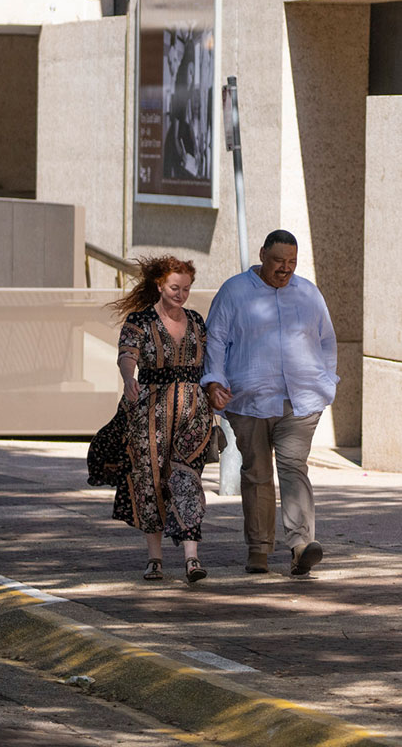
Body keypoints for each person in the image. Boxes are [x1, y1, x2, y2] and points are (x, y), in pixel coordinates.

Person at [202, 230, 339, 578]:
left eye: (291, 262)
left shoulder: (308, 292)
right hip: (249, 400)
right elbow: (215, 339)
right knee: (257, 474)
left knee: (294, 468)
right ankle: (259, 549)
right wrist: (214, 380)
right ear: (263, 254)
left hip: (302, 400)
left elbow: (327, 339)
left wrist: (327, 383)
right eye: (278, 261)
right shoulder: (235, 291)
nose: (285, 269)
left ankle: (300, 546)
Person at [110, 255, 215, 583]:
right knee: (151, 483)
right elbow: (127, 355)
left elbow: (211, 361)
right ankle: (155, 558)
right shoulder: (139, 321)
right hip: (150, 414)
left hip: (193, 413)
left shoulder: (197, 321)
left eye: (185, 288)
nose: (180, 294)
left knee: (187, 479)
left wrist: (218, 390)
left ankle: (191, 558)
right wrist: (129, 378)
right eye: (174, 287)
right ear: (159, 285)